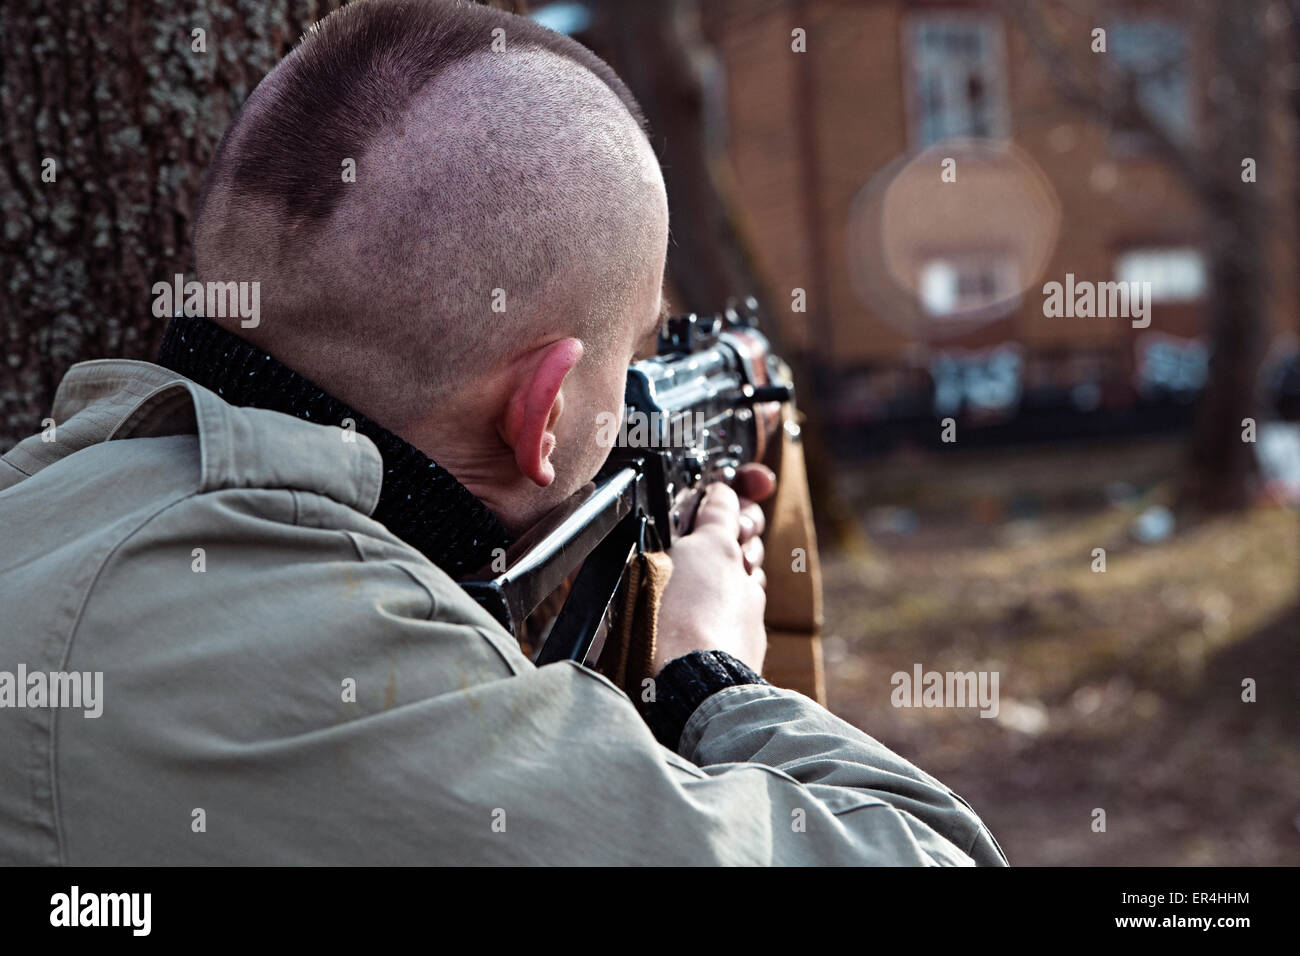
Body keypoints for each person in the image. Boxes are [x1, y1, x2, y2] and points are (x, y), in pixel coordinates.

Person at [0, 0, 1006, 865]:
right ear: (546, 411)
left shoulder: (43, 500)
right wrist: (713, 673)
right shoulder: (372, 696)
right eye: (633, 354)